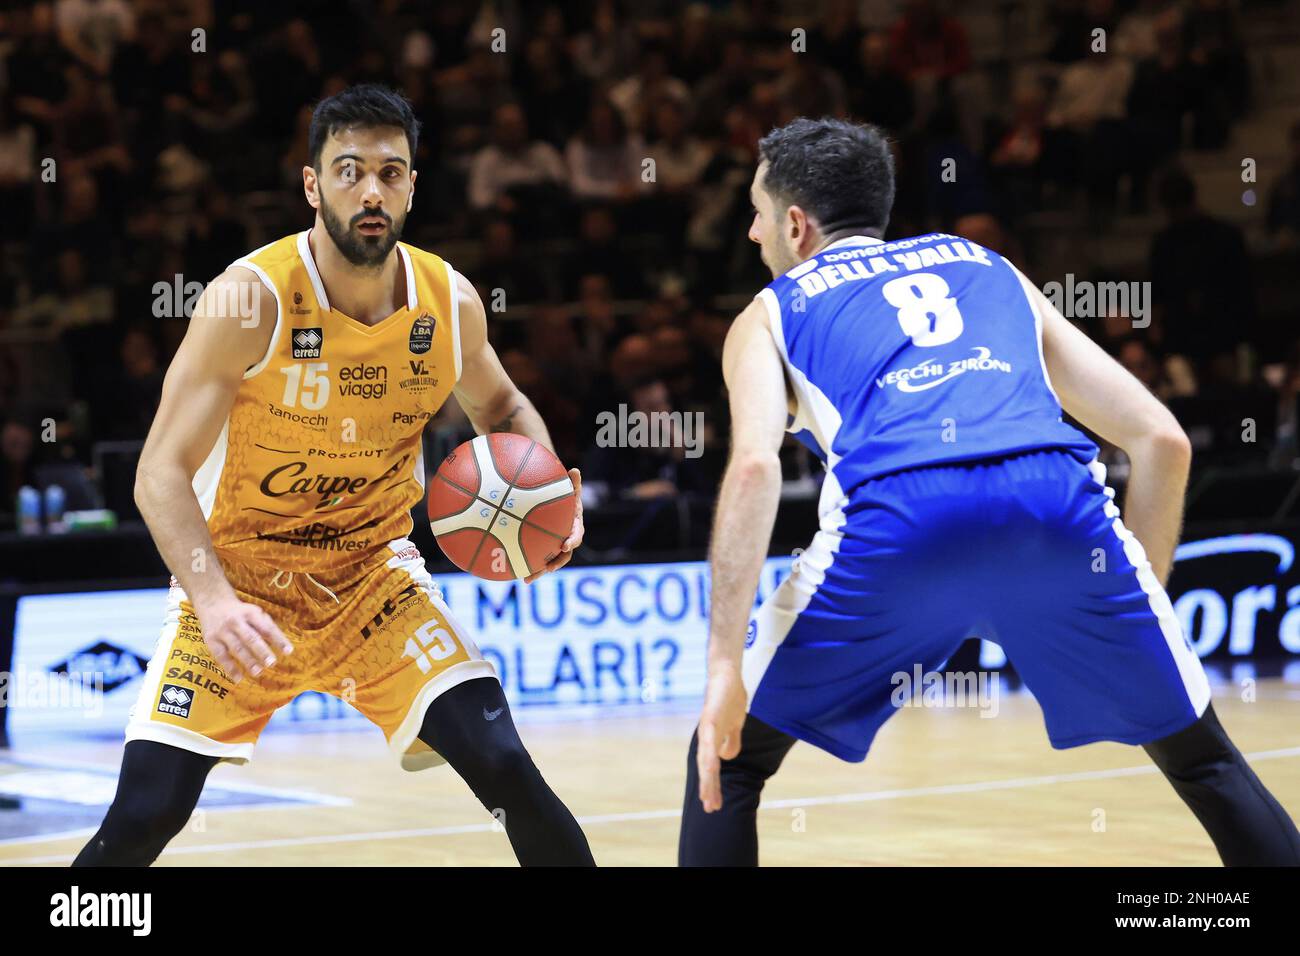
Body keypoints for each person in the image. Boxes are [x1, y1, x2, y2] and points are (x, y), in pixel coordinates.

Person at [679, 116, 1300, 867]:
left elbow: (752, 469)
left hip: (898, 522)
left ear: (797, 224)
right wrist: (1135, 598)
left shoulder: (768, 313)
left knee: (728, 756)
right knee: (1204, 763)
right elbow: (1160, 440)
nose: (750, 233)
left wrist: (719, 669)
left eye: (756, 212)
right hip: (1057, 512)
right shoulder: (987, 265)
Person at [75, 85, 594, 867]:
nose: (371, 190)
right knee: (145, 816)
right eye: (349, 171)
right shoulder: (248, 299)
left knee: (506, 768)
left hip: (372, 584)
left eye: (391, 172)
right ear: (313, 185)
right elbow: (157, 474)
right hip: (241, 587)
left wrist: (548, 500)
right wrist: (211, 601)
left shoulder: (446, 303)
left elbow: (505, 406)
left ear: (414, 186)